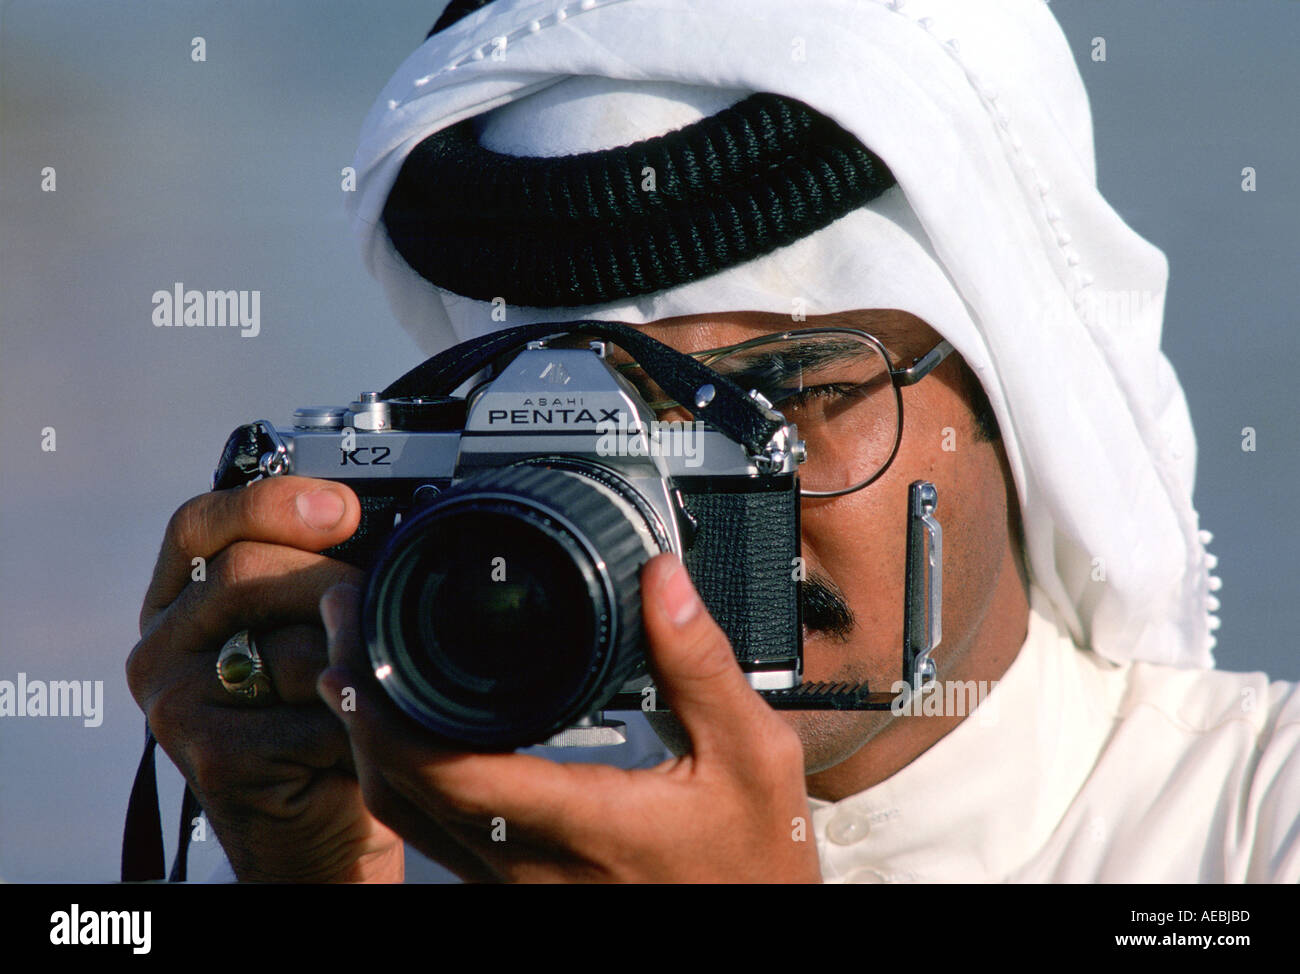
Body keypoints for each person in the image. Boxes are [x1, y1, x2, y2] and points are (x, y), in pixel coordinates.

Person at [126, 0, 1300, 882]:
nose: (667, 535)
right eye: (593, 442)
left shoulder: (1254, 825)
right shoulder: (416, 827)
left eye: (782, 399)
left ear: (1015, 391)